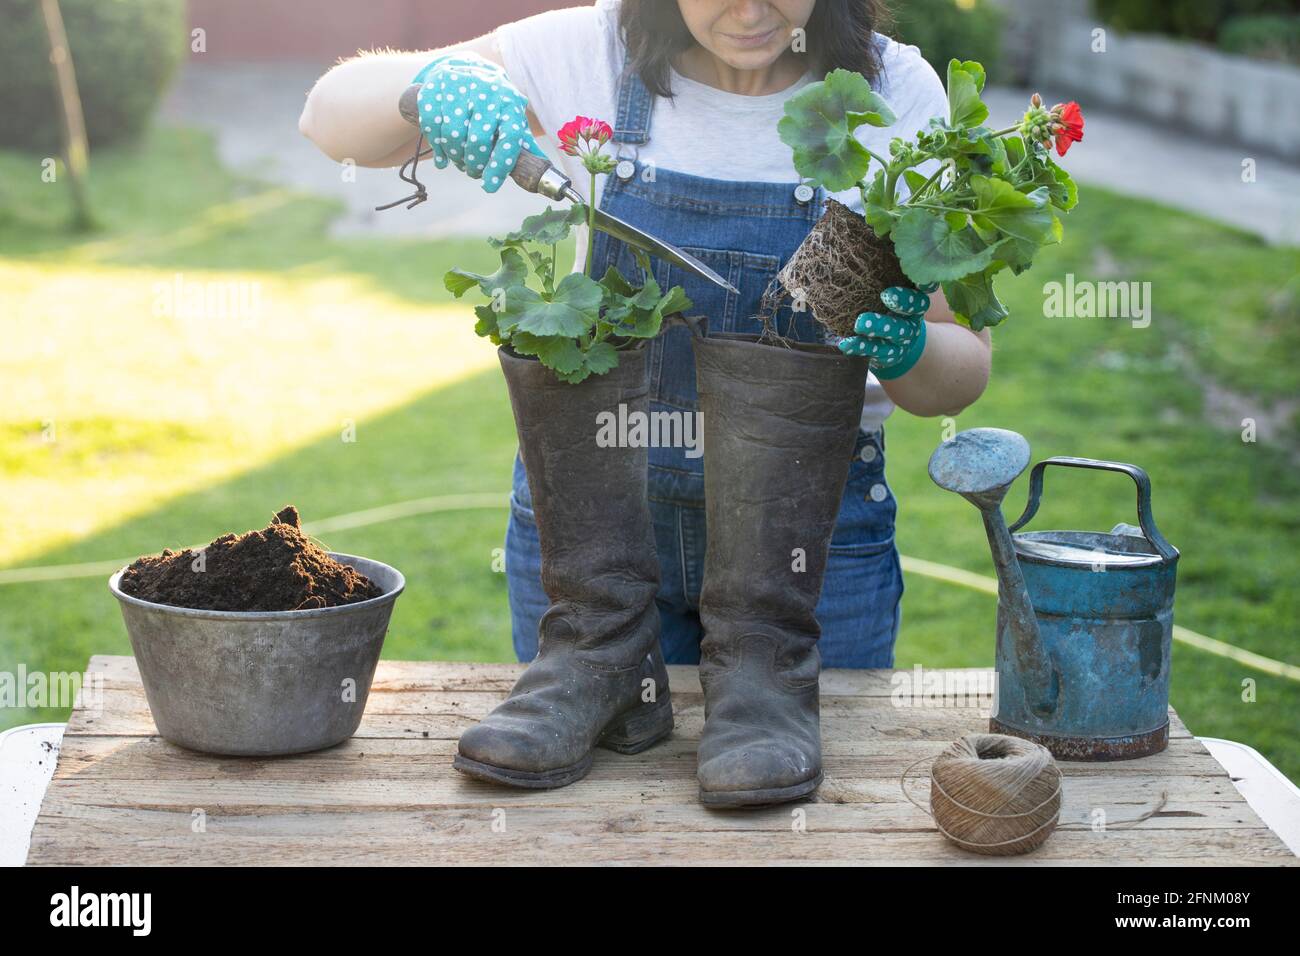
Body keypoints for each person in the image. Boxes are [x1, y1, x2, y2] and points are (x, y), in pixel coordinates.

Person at [301, 0, 992, 806]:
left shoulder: (894, 90)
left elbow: (963, 369)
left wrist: (907, 347)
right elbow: (328, 118)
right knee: (582, 830)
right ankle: (603, 664)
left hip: (817, 557)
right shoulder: (590, 50)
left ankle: (764, 672)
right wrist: (429, 81)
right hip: (594, 544)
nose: (751, 8)